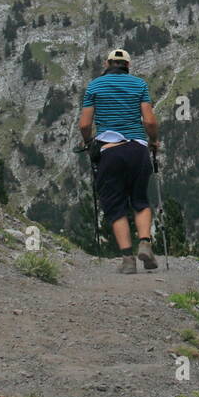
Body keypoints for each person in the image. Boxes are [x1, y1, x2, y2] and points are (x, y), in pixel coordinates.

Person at [78, 48, 160, 274]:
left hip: (110, 151)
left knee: (116, 206)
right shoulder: (139, 85)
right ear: (128, 66)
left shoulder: (95, 86)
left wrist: (88, 143)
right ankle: (144, 241)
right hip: (138, 150)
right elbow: (150, 121)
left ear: (107, 64)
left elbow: (85, 125)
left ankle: (127, 260)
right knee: (141, 201)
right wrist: (153, 141)